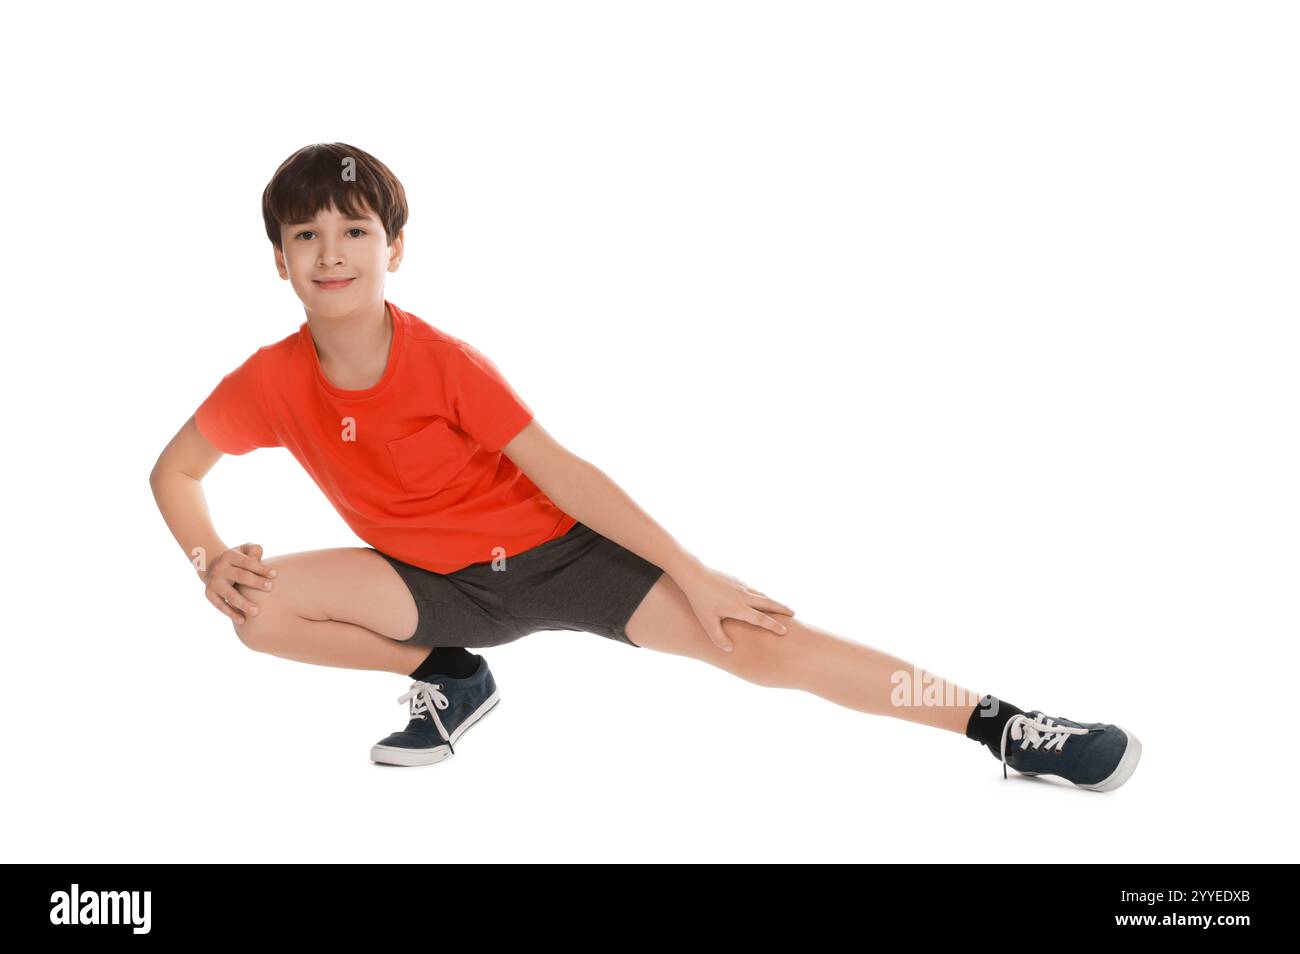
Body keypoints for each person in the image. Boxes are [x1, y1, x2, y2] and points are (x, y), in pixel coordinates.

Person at [149, 142, 1142, 790]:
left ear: (394, 248)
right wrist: (208, 560)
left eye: (353, 231)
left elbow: (569, 473)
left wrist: (693, 574)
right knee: (257, 609)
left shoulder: (443, 363)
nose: (331, 253)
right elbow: (175, 474)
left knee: (759, 647)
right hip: (424, 585)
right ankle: (449, 680)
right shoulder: (269, 381)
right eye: (306, 236)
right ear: (278, 259)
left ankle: (1004, 726)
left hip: (555, 557)